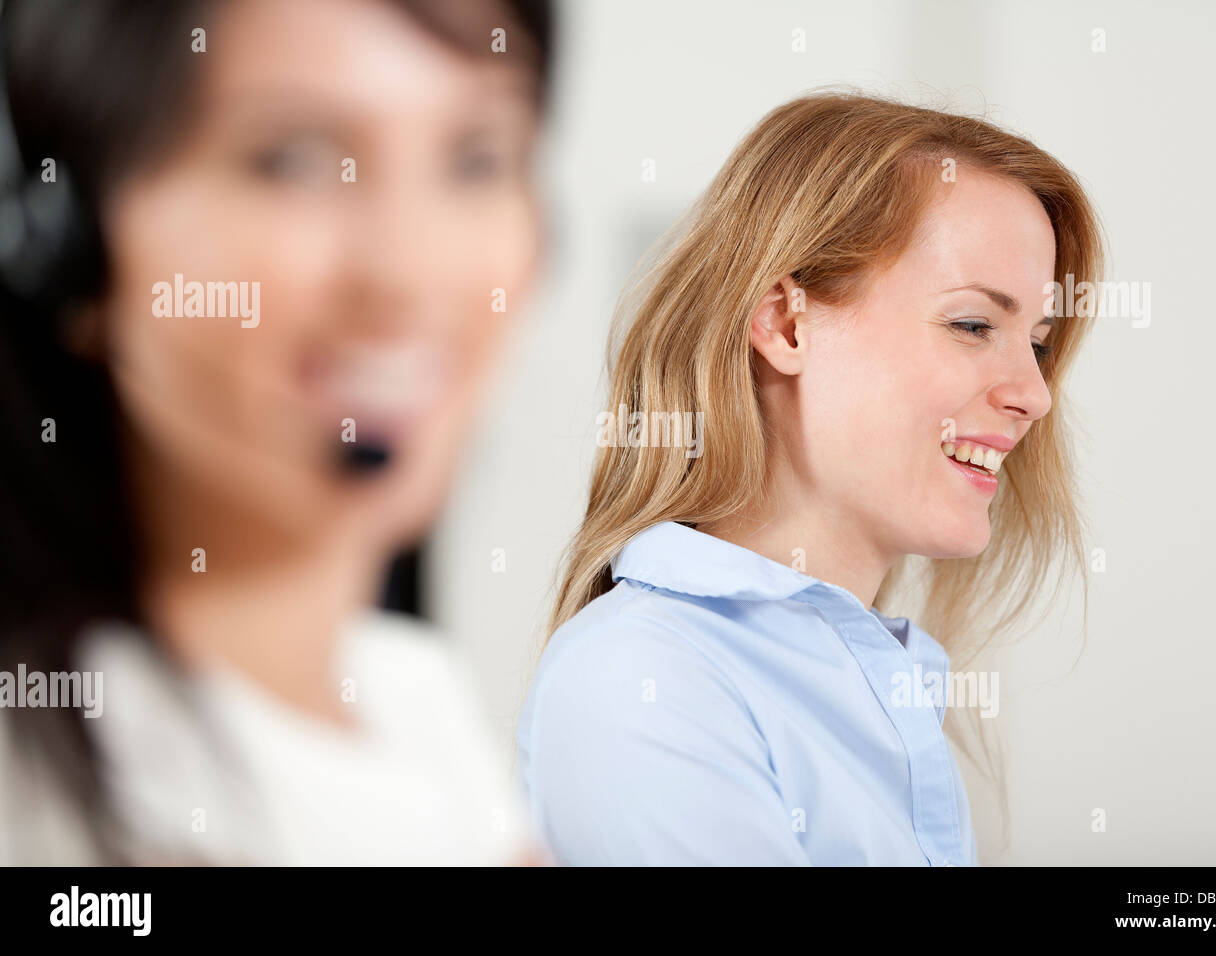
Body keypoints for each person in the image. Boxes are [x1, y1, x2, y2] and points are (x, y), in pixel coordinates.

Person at [0, 0, 553, 865]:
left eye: (476, 158)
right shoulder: (42, 801)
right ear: (65, 243)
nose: (406, 274)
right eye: (294, 161)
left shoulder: (411, 692)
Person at [516, 91, 1104, 865]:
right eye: (972, 325)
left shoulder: (882, 688)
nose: (1034, 394)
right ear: (787, 324)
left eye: (1036, 342)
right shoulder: (643, 680)